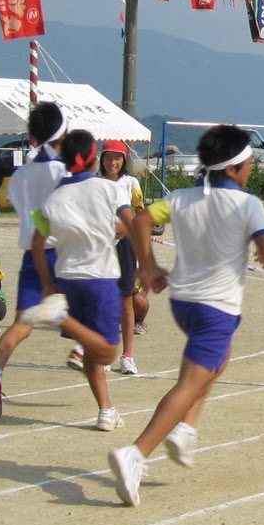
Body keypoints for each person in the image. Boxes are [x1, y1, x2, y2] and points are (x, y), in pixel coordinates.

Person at [109, 125, 264, 506]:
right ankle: (135, 454)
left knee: (221, 359)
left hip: (183, 303)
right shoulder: (248, 204)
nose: (251, 167)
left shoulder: (181, 197)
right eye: (249, 162)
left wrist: (149, 265)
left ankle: (186, 428)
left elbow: (139, 221)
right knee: (188, 384)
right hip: (215, 307)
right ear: (235, 168)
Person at [25, 128, 134, 431]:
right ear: (91, 157)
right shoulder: (109, 188)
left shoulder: (56, 195)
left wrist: (47, 284)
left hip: (67, 279)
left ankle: (106, 410)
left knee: (89, 351)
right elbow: (132, 224)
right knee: (109, 351)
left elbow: (37, 242)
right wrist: (147, 265)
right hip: (100, 278)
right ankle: (61, 317)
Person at [0, 102, 68, 421]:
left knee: (22, 325)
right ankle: (83, 351)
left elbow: (14, 204)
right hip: (62, 253)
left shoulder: (22, 174)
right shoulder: (63, 171)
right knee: (95, 305)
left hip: (32, 254)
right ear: (63, 133)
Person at [99, 140, 149, 374]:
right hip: (101, 246)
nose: (113, 162)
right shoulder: (94, 182)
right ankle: (105, 352)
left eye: (117, 158)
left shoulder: (132, 183)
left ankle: (127, 356)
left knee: (125, 301)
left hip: (125, 246)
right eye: (108, 157)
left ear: (124, 160)